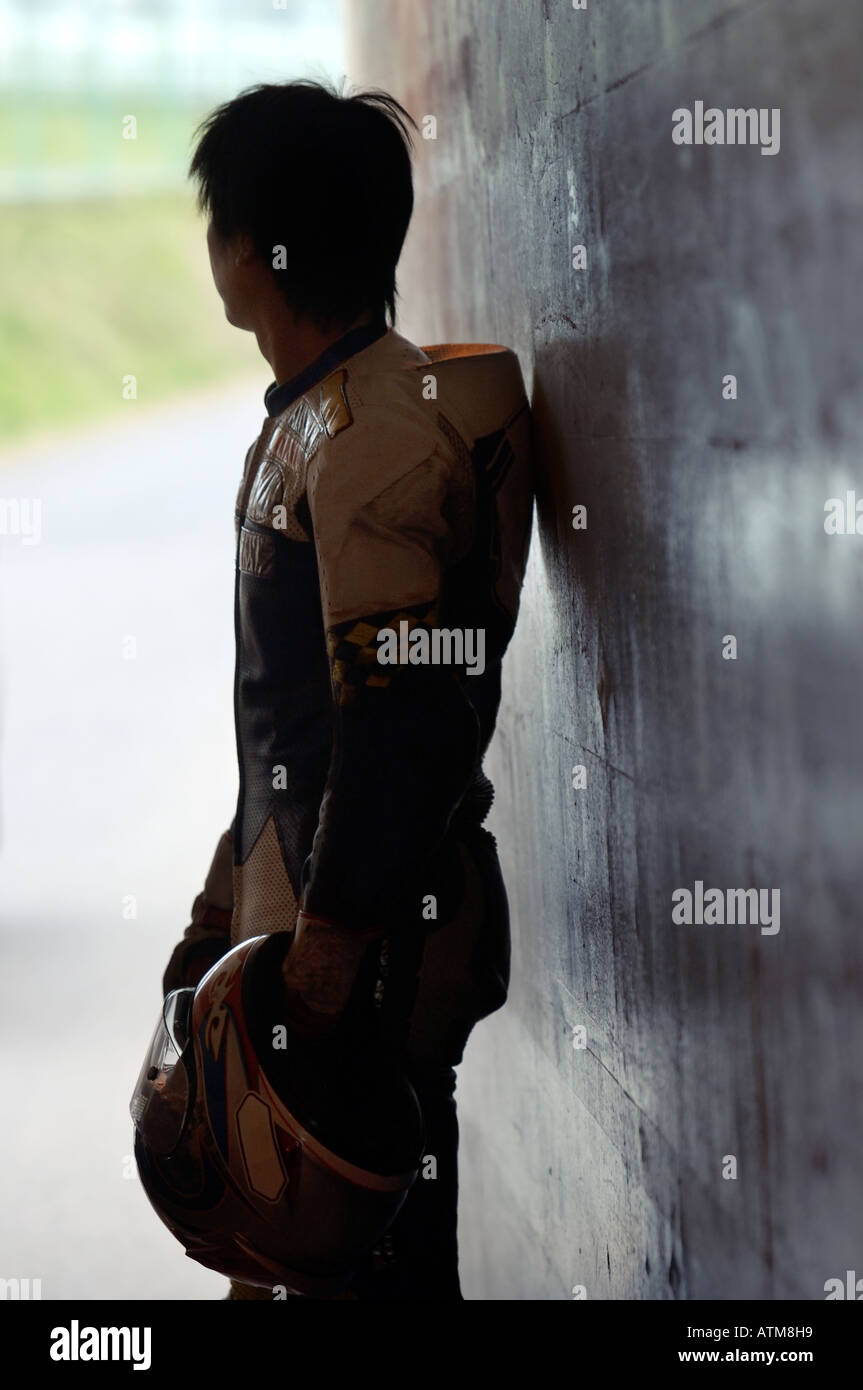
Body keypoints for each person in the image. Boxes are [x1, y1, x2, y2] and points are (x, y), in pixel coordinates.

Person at [160, 79, 533, 1300]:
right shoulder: (315, 422)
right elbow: (292, 723)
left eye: (219, 219)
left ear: (256, 249)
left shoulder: (374, 432)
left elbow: (404, 713)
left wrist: (323, 962)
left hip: (373, 951)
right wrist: (223, 902)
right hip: (316, 925)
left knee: (374, 1275)